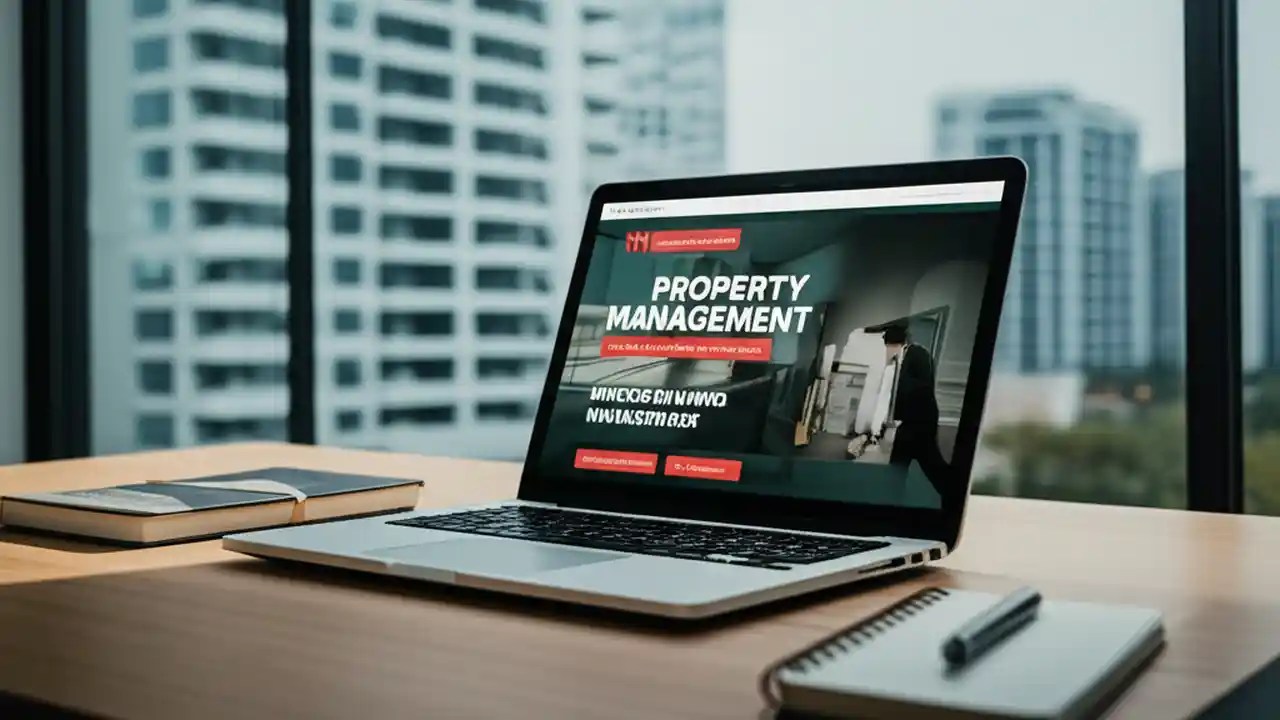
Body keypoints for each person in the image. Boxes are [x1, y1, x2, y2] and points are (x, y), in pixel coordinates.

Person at [879, 324, 950, 497]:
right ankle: (892, 495)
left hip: (920, 420)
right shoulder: (907, 356)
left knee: (928, 461)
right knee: (911, 461)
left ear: (893, 344)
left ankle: (952, 490)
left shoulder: (918, 354)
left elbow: (923, 386)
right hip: (913, 421)